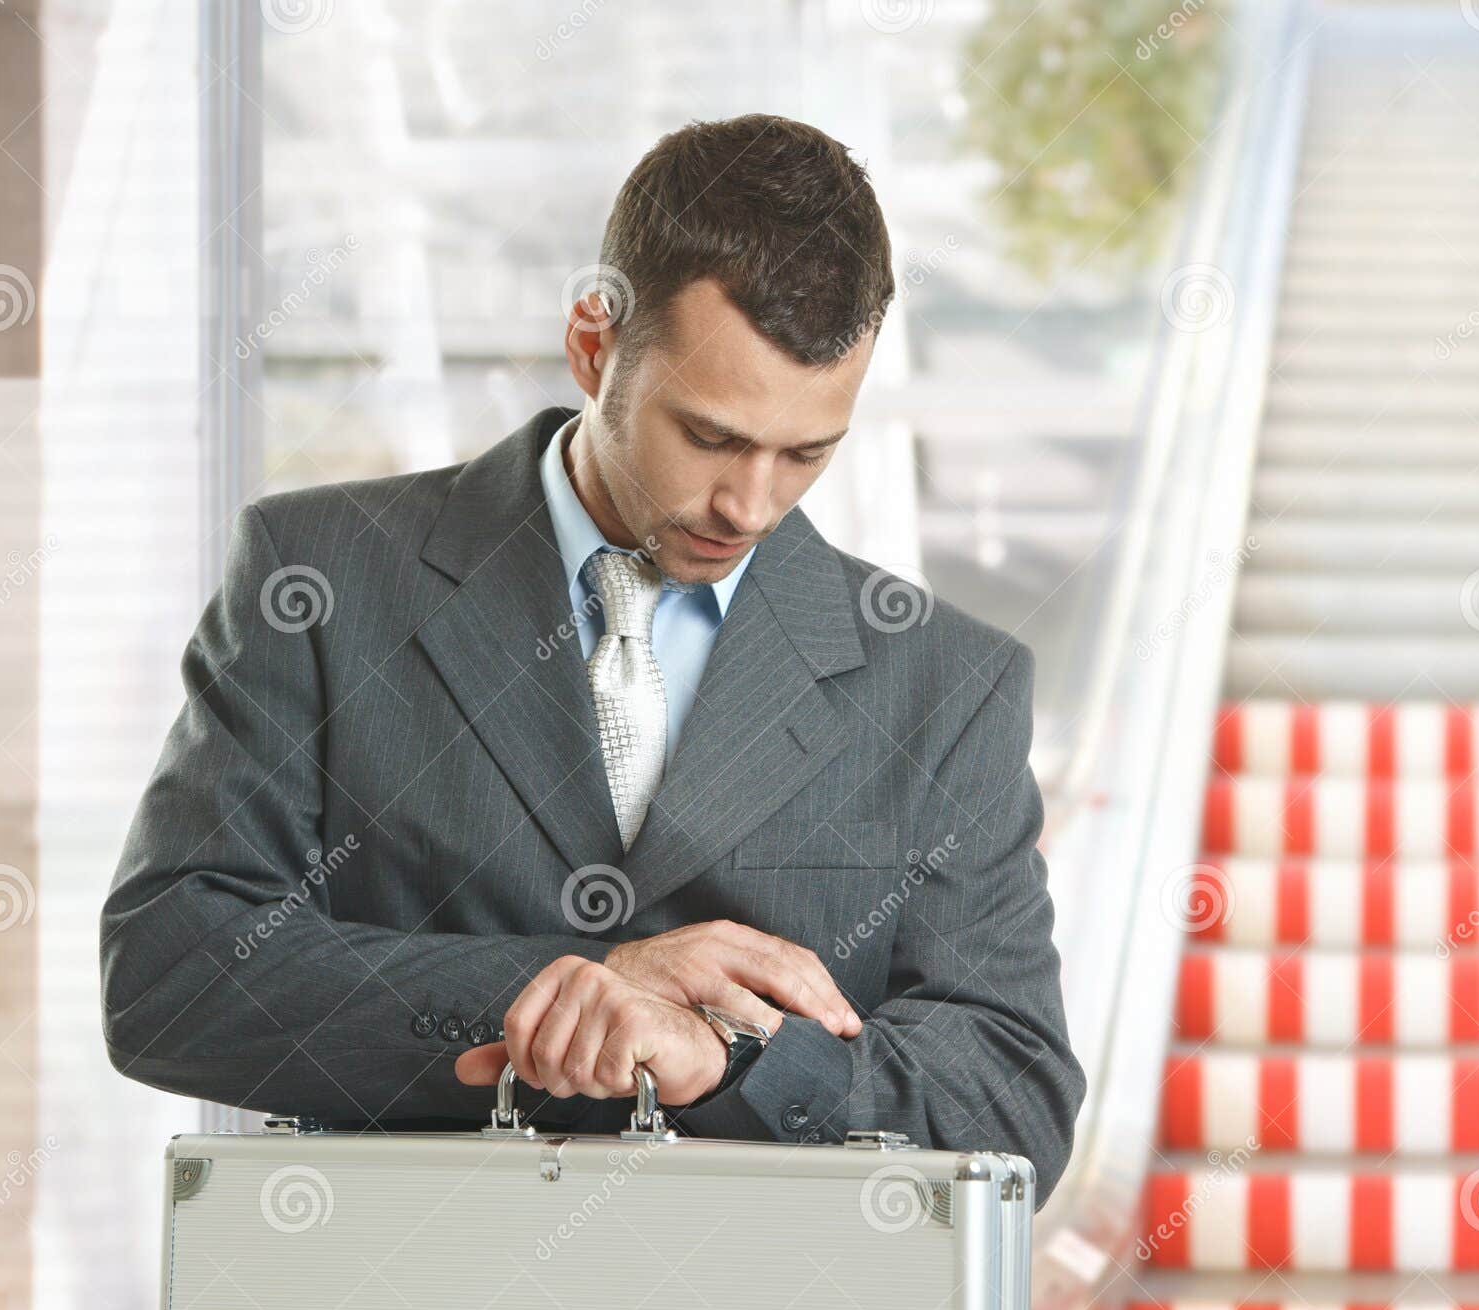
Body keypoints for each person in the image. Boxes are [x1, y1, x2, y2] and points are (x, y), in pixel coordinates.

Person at [100, 113, 1084, 1206]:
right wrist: (565, 989)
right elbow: (171, 976)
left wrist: (730, 1063)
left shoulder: (947, 685)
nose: (746, 505)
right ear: (591, 345)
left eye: (805, 453)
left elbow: (1010, 1101)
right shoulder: (322, 580)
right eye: (708, 437)